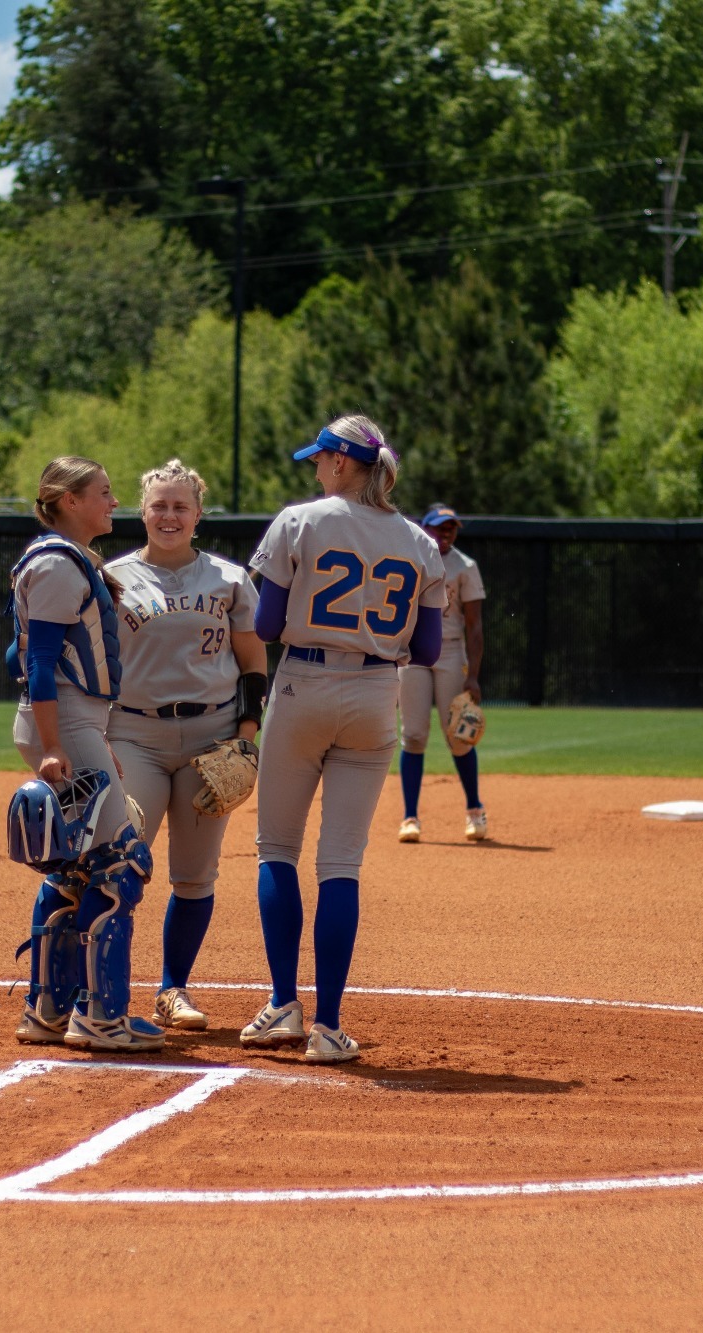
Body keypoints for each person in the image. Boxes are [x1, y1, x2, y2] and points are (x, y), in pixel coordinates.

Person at [239, 414, 446, 1063]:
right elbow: (429, 648)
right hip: (375, 694)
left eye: (320, 459)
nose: (316, 468)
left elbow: (268, 625)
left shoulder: (300, 521)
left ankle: (284, 1006)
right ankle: (328, 1025)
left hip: (303, 683)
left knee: (277, 848)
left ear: (340, 463)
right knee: (341, 864)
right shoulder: (421, 542)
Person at [5, 456, 165, 1052]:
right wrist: (56, 745)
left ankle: (49, 1009)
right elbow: (39, 664)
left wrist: (89, 739)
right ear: (68, 500)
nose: (113, 501)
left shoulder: (63, 560)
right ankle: (100, 1016)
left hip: (75, 722)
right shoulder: (56, 563)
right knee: (122, 865)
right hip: (65, 722)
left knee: (77, 866)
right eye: (102, 492)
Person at [104, 460, 266, 1033]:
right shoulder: (113, 577)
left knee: (195, 876)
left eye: (180, 506)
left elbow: (252, 662)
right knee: (118, 863)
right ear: (141, 512)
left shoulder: (227, 578)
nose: (169, 515)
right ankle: (106, 991)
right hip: (133, 734)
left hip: (210, 736)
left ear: (198, 515)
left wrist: (245, 738)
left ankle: (173, 989)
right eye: (159, 506)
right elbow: (95, 666)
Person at [396, 504, 488, 842]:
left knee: (459, 735)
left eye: (451, 527)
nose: (445, 532)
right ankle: (409, 818)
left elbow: (475, 627)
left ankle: (475, 810)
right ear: (426, 528)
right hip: (413, 651)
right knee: (414, 734)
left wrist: (473, 675)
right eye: (439, 527)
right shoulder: (409, 558)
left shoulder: (465, 567)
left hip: (450, 650)